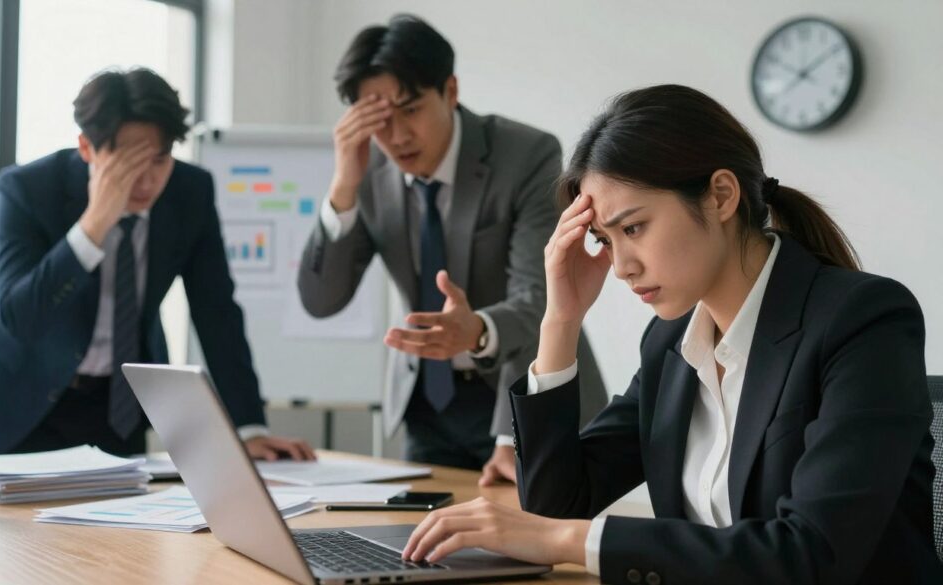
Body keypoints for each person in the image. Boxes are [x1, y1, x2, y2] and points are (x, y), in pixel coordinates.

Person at [401, 84, 942, 583]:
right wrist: (559, 322)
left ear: (721, 196)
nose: (620, 267)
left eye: (633, 228)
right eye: (604, 240)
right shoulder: (671, 345)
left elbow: (811, 554)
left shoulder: (863, 321)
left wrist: (568, 539)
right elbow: (556, 503)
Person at [297, 14, 606, 485]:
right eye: (378, 119)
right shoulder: (368, 172)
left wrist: (477, 330)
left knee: (529, 545)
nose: (396, 135)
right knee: (420, 548)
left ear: (451, 91)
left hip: (516, 393)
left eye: (411, 109)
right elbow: (322, 300)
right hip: (426, 404)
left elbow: (540, 295)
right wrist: (343, 189)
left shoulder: (525, 155)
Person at [0, 68, 315, 461]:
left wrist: (248, 427)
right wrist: (93, 225)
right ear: (87, 148)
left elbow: (217, 314)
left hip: (119, 406)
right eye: (128, 162)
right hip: (23, 403)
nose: (145, 181)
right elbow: (18, 318)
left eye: (159, 160)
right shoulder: (27, 190)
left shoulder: (190, 192)